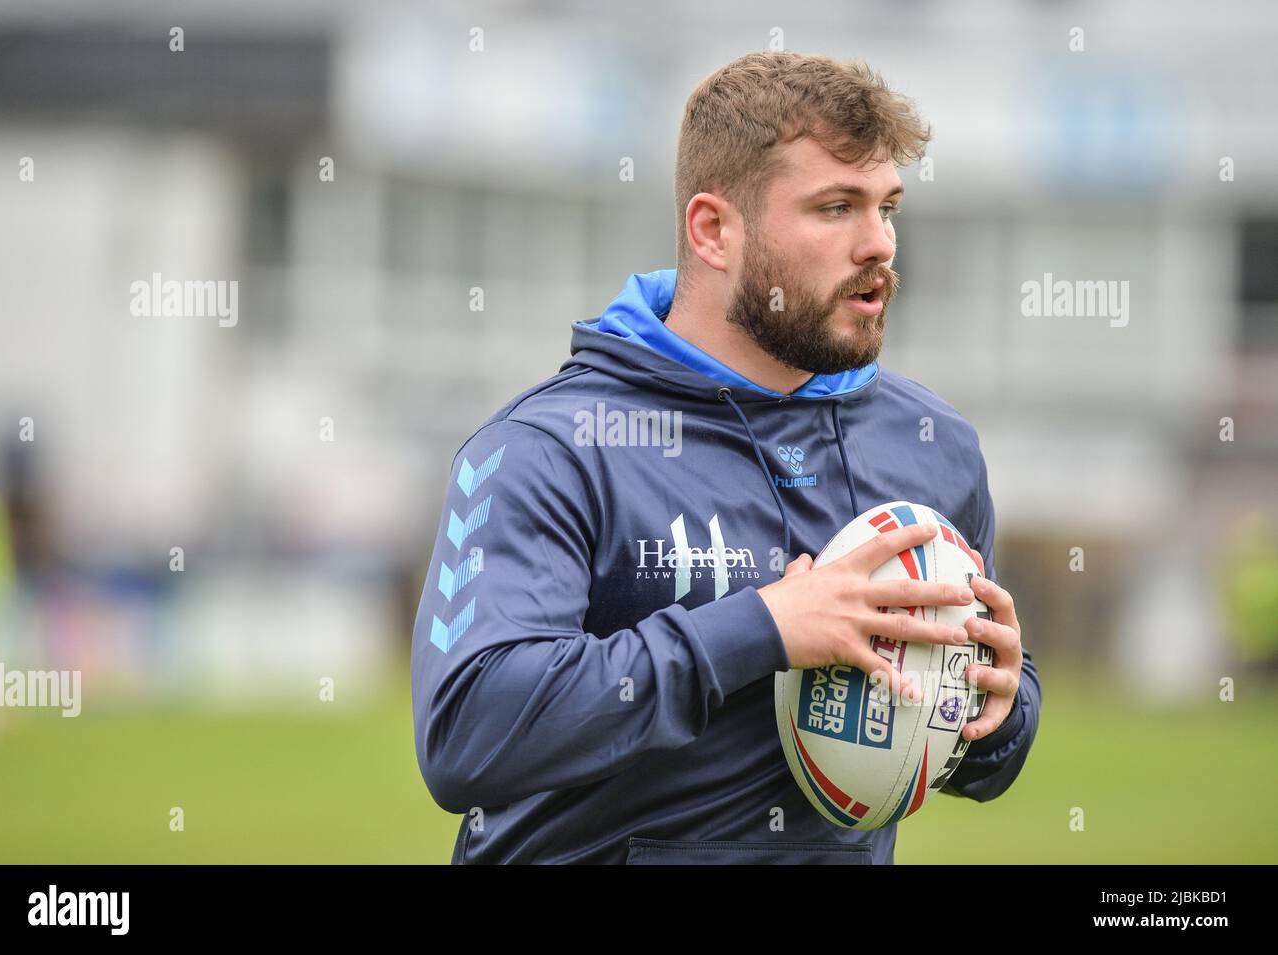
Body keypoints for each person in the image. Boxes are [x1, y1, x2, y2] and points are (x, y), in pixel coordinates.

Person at [411, 52, 1041, 864]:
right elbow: (469, 733)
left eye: (887, 207)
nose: (879, 244)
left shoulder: (932, 446)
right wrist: (763, 629)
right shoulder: (553, 448)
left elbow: (975, 751)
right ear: (713, 230)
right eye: (836, 207)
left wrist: (1002, 709)